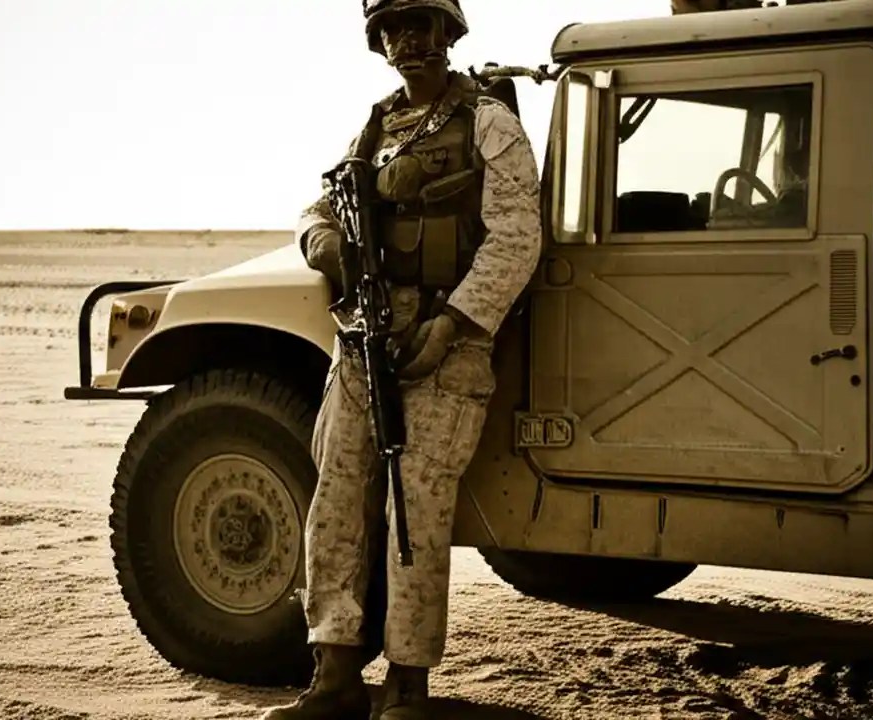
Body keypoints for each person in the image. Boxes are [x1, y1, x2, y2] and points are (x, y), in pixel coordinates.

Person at [262, 1, 542, 718]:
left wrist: (450, 326)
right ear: (379, 43)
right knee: (336, 502)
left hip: (446, 344)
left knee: (416, 510)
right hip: (364, 341)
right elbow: (320, 208)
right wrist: (327, 248)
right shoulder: (376, 125)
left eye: (422, 26)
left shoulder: (489, 124)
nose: (409, 42)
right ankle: (333, 671)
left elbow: (516, 237)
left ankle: (408, 684)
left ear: (449, 34)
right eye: (393, 30)